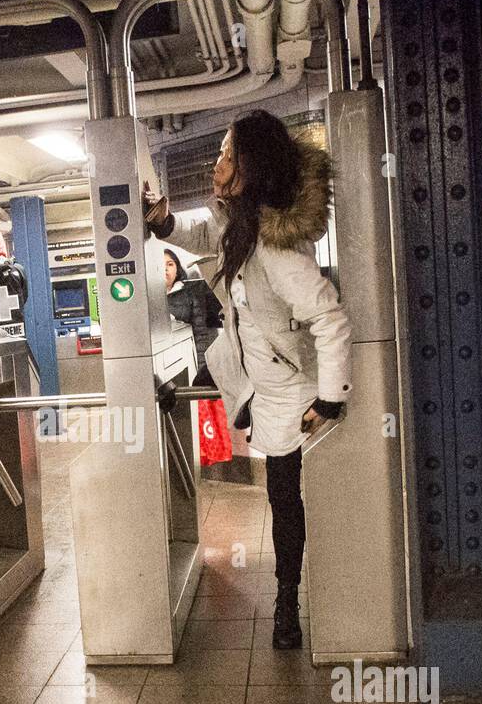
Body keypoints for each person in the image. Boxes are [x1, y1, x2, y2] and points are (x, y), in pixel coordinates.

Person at [144, 109, 353, 650]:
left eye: (226, 154)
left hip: (291, 389)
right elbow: (198, 232)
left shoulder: (278, 246)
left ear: (249, 167)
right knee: (280, 495)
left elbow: (328, 317)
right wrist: (163, 222)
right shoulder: (236, 222)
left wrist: (330, 399)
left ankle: (288, 602)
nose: (217, 162)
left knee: (285, 496)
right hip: (253, 380)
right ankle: (291, 593)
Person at [163, 248, 223, 375]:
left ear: (177, 268)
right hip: (162, 361)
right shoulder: (145, 299)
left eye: (170, 264)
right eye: (161, 265)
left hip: (185, 361)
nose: (166, 269)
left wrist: (203, 369)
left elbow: (201, 335)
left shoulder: (190, 293)